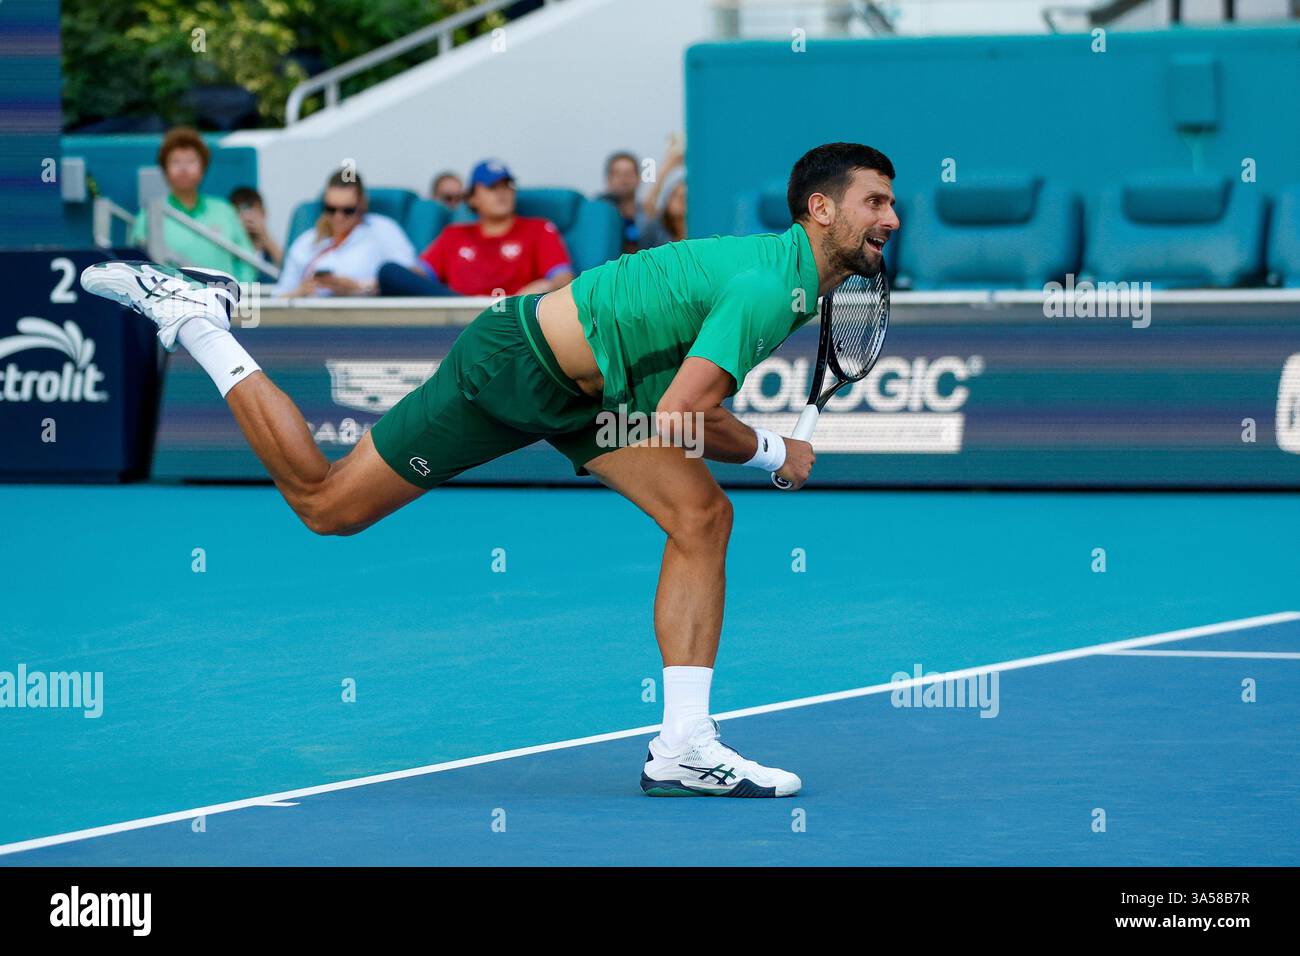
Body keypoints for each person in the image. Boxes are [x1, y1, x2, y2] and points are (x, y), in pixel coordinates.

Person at [81, 142, 900, 797]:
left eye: (892, 203)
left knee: (702, 517)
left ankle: (683, 744)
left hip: (594, 395)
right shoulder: (769, 283)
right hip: (515, 364)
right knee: (327, 506)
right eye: (874, 201)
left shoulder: (791, 282)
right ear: (819, 209)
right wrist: (771, 452)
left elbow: (665, 399)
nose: (891, 218)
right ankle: (199, 321)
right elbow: (687, 413)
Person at [377, 159, 573, 297]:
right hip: (459, 318)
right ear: (472, 198)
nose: (502, 193)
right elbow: (417, 277)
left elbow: (564, 279)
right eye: (492, 188)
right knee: (389, 273)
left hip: (512, 318)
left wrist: (544, 286)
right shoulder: (454, 235)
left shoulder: (539, 229)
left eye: (507, 186)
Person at [129, 127, 259, 283]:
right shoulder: (148, 215)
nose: (183, 168)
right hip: (167, 303)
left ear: (203, 169)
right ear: (164, 170)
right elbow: (137, 267)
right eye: (175, 161)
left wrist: (238, 295)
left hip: (223, 304)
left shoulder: (225, 210)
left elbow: (247, 262)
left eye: (191, 161)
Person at [275, 169, 417, 297]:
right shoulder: (306, 242)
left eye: (347, 210)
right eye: (331, 209)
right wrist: (300, 292)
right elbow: (278, 298)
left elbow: (411, 278)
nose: (338, 217)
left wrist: (359, 288)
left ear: (362, 204)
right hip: (311, 319)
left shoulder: (383, 230)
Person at [597, 151, 650, 253]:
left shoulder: (647, 217)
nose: (623, 179)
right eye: (617, 174)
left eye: (628, 173)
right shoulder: (599, 211)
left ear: (638, 178)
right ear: (609, 179)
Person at [228, 186, 283, 269]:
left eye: (252, 210)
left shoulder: (273, 253)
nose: (248, 218)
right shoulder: (228, 252)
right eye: (240, 212)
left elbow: (290, 271)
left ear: (264, 212)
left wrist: (265, 236)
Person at [639, 167, 686, 248]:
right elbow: (648, 206)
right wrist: (668, 165)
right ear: (667, 201)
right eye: (675, 195)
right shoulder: (658, 231)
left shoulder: (702, 233)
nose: (680, 200)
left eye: (684, 197)